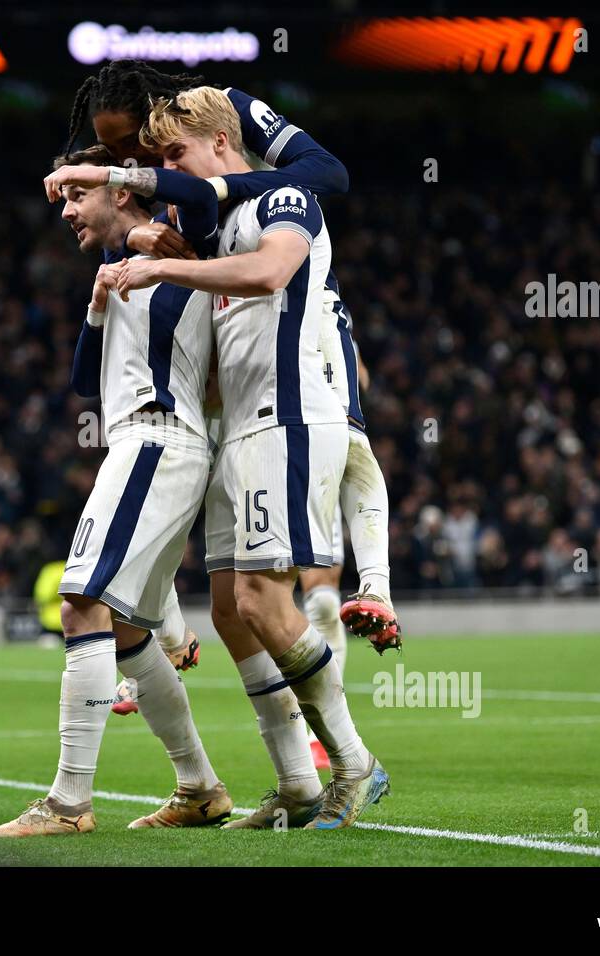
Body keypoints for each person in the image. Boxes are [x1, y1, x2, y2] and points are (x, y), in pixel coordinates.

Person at [106, 86, 391, 830]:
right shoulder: (218, 225)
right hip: (240, 428)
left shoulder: (285, 200)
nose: (169, 170)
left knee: (267, 600)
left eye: (176, 154)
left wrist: (167, 270)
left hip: (287, 418)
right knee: (232, 611)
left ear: (222, 144)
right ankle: (297, 783)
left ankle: (353, 763)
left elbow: (270, 273)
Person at [0, 145, 230, 837]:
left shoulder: (180, 241)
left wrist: (130, 192)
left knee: (79, 602)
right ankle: (200, 788)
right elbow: (83, 384)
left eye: (76, 194)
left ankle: (68, 803)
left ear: (119, 192)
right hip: (142, 441)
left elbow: (207, 202)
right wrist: (95, 306)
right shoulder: (114, 267)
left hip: (158, 439)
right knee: (125, 628)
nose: (65, 211)